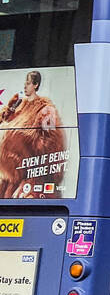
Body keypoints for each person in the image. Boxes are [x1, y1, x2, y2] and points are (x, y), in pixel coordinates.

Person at [0, 70, 65, 199]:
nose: (25, 86)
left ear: (35, 85)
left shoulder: (45, 109)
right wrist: (9, 108)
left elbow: (51, 146)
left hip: (27, 182)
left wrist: (33, 175)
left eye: (28, 83)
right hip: (7, 180)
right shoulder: (18, 105)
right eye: (25, 82)